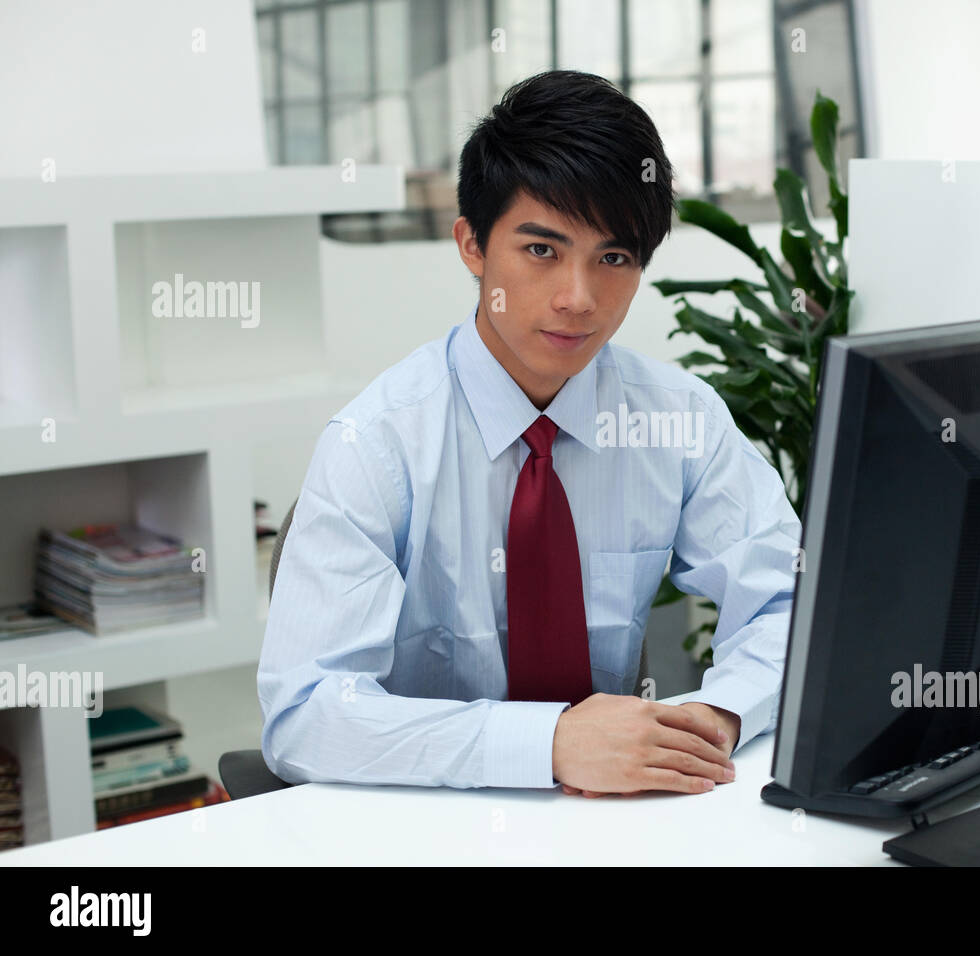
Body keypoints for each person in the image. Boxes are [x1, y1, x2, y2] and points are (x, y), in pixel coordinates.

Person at [258, 69, 801, 797]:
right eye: (542, 250)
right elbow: (306, 712)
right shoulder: (376, 444)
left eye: (613, 258)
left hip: (610, 820)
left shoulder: (678, 420)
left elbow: (790, 601)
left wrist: (715, 715)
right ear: (473, 247)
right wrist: (543, 745)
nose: (578, 299)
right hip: (422, 823)